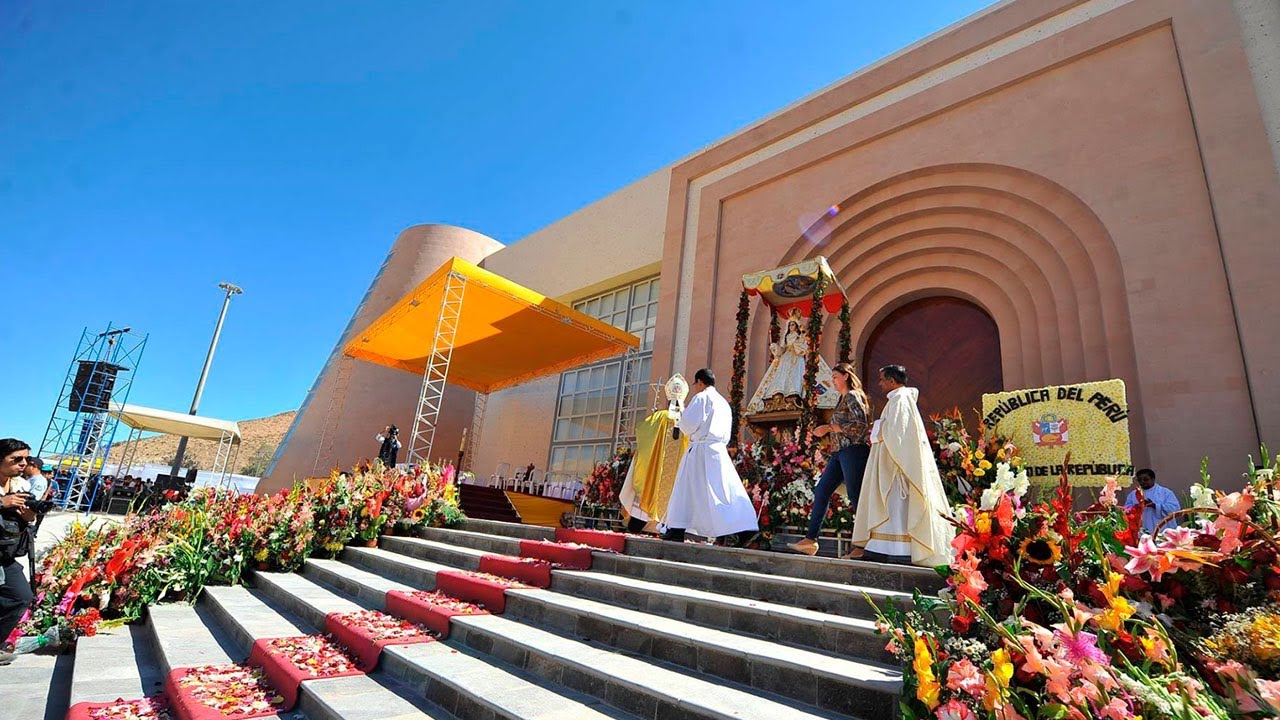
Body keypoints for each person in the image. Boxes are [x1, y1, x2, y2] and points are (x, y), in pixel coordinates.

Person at [849, 366, 953, 567]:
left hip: (897, 466)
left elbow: (897, 433)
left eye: (882, 380)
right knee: (894, 506)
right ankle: (885, 547)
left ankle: (898, 550)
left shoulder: (900, 399)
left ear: (892, 381)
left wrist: (878, 428)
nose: (880, 384)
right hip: (895, 462)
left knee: (896, 505)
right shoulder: (897, 399)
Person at [662, 368, 758, 544]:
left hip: (700, 450)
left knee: (686, 489)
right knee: (724, 491)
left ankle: (676, 529)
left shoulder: (701, 398)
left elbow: (688, 425)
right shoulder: (723, 403)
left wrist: (680, 415)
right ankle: (745, 528)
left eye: (696, 385)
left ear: (699, 382)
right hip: (718, 450)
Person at [787, 362, 871, 557]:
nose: (832, 380)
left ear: (846, 377)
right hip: (840, 453)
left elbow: (860, 425)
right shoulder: (842, 399)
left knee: (855, 496)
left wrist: (829, 428)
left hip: (853, 451)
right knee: (822, 490)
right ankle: (811, 540)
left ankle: (862, 546)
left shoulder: (853, 396)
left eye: (835, 377)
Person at [619, 375, 690, 533]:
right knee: (675, 503)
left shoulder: (659, 417)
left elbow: (643, 434)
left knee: (645, 501)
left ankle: (633, 530)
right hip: (677, 472)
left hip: (655, 471)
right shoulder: (686, 420)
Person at [746, 308, 838, 413]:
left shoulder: (800, 336)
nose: (791, 327)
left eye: (793, 325)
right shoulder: (787, 337)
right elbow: (782, 350)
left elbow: (803, 348)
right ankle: (779, 394)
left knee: (795, 375)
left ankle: (793, 393)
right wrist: (775, 347)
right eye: (790, 325)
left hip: (797, 358)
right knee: (782, 375)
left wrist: (798, 343)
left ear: (797, 326)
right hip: (786, 358)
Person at [0, 439, 36, 665]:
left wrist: (28, 514)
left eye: (25, 459)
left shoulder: (21, 485)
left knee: (21, 596)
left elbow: (28, 520)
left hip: (5, 552)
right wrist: (2, 503)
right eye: (16, 459)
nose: (23, 464)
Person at [1124, 468, 1180, 535]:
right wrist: (1137, 507)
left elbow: (1175, 509)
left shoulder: (1165, 492)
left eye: (1145, 479)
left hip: (1163, 530)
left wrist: (1155, 506)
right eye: (1139, 480)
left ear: (1153, 479)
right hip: (1142, 531)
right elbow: (1126, 511)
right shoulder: (1133, 495)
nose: (1142, 482)